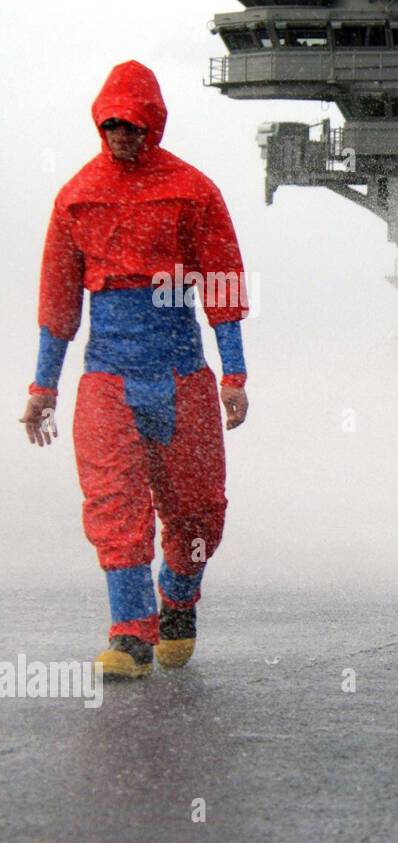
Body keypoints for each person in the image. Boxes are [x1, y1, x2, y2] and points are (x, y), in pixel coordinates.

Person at [18, 61, 251, 678]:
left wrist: (235, 375)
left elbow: (222, 288)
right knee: (114, 506)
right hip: (108, 378)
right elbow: (59, 304)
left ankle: (178, 599)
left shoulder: (194, 191)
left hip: (182, 376)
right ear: (100, 123)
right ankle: (129, 634)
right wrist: (43, 387)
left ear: (153, 123)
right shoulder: (76, 196)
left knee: (199, 512)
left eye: (132, 123)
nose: (122, 133)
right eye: (111, 123)